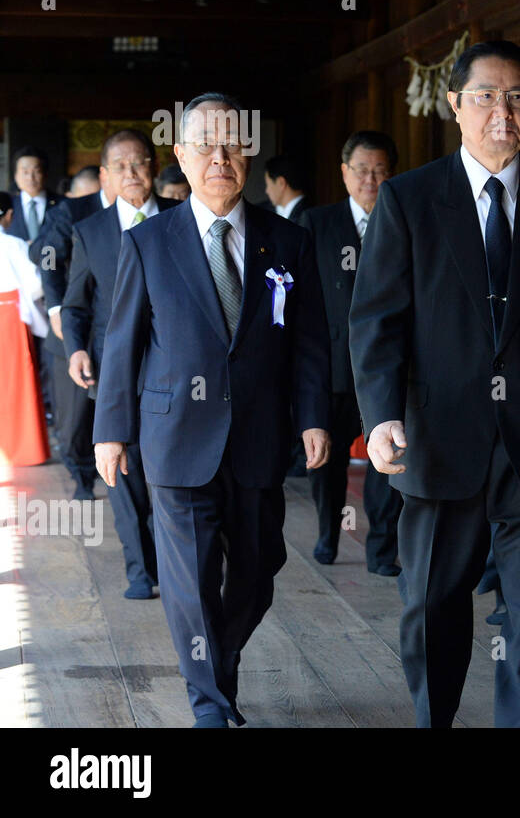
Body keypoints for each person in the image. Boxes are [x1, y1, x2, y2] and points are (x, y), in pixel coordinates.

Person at [349, 40, 520, 728]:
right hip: (440, 440)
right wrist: (381, 415)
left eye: (518, 97)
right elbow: (377, 318)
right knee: (433, 607)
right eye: (486, 96)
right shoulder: (411, 199)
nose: (502, 111)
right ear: (454, 106)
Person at [92, 93, 331, 727]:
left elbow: (309, 343)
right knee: (193, 580)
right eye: (205, 146)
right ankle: (210, 705)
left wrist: (313, 416)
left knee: (259, 571)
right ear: (181, 154)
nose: (219, 157)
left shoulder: (289, 241)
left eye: (231, 145)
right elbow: (122, 342)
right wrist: (111, 432)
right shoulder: (149, 242)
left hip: (258, 436)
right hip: (174, 437)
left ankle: (215, 668)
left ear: (247, 153)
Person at [64, 129, 180, 599]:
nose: (133, 174)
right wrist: (75, 348)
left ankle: (180, 567)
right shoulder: (89, 232)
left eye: (141, 164)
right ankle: (140, 571)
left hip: (175, 370)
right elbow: (76, 304)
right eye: (122, 167)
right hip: (114, 372)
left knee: (173, 472)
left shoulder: (181, 218)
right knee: (122, 473)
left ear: (154, 168)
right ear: (106, 177)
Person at [301, 131, 403, 575]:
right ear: (345, 173)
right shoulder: (316, 223)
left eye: (380, 171)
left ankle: (382, 550)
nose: (370, 179)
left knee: (389, 462)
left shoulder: (403, 217)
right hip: (333, 369)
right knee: (328, 461)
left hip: (389, 370)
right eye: (362, 170)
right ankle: (328, 532)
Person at [29, 153, 115, 501]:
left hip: (110, 327)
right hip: (69, 327)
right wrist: (56, 308)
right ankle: (80, 477)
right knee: (75, 415)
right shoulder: (68, 213)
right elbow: (44, 256)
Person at [0, 191, 51, 467]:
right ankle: (22, 449)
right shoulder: (14, 243)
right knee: (15, 383)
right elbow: (34, 286)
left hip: (7, 311)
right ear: (9, 215)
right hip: (8, 316)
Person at [9, 146, 57, 243]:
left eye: (37, 171)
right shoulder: (7, 205)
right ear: (16, 176)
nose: (31, 178)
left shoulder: (63, 204)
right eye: (25, 172)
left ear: (45, 174)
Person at [264, 155, 310, 224]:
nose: (266, 191)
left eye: (268, 184)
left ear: (281, 183)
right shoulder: (264, 211)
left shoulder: (309, 216)